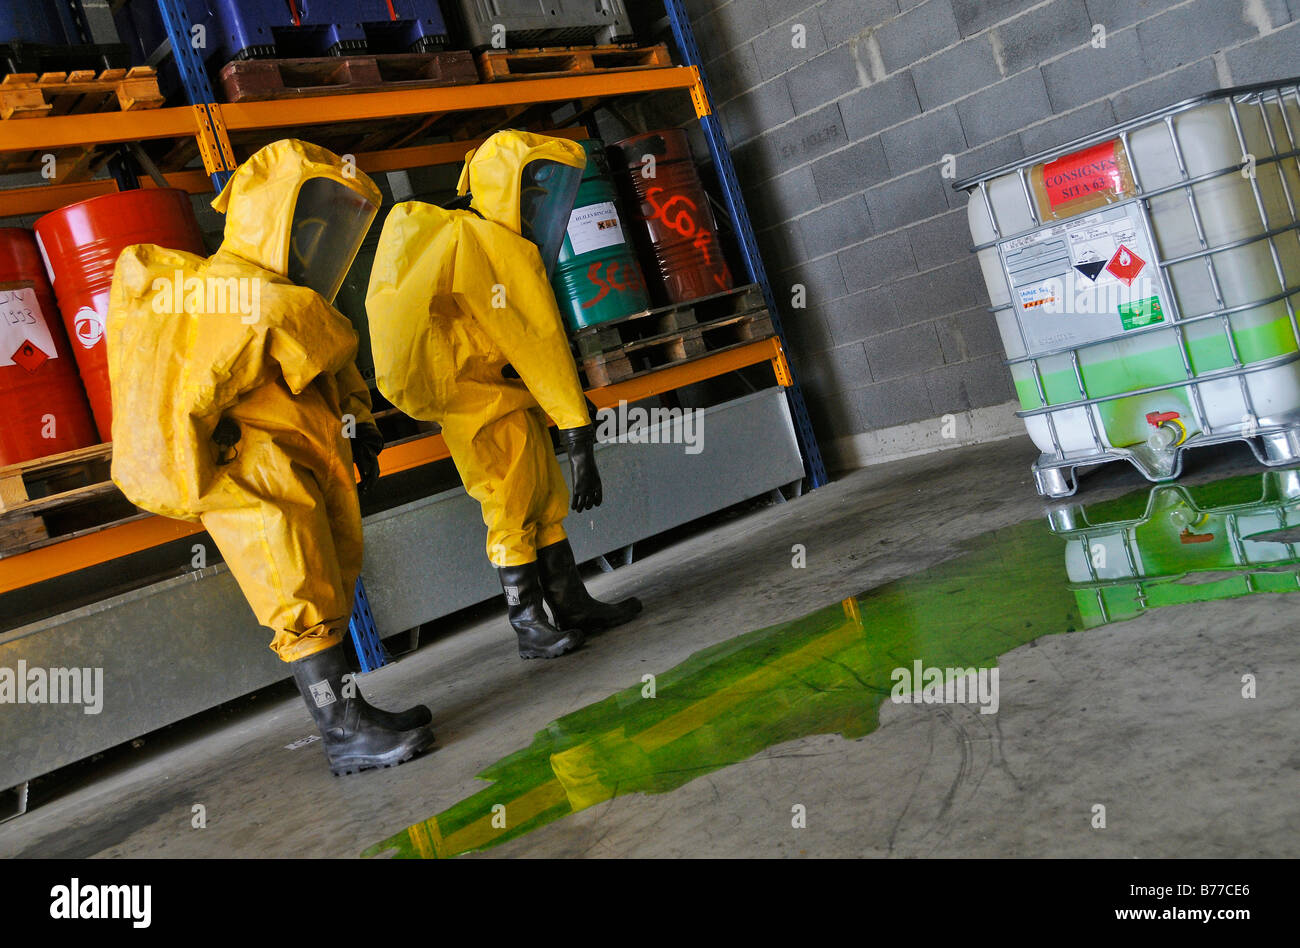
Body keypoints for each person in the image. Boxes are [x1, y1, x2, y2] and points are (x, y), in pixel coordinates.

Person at [107, 139, 436, 776]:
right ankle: (342, 733)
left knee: (323, 580)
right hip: (252, 479)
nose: (322, 234)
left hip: (299, 459)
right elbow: (200, 389)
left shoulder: (277, 294)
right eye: (310, 215)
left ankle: (354, 710)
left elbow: (329, 363)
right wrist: (201, 459)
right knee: (297, 598)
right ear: (271, 215)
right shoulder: (228, 293)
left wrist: (358, 425)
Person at [366, 130, 642, 660]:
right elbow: (537, 341)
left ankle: (569, 601)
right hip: (479, 404)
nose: (547, 205)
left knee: (539, 497)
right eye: (537, 192)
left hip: (490, 394)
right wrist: (578, 431)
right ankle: (530, 624)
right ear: (507, 189)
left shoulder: (456, 233)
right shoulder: (487, 243)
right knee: (511, 506)